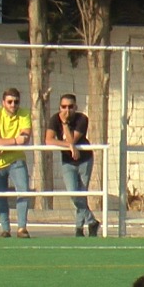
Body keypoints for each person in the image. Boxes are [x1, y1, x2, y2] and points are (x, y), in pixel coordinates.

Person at [46, 93, 100, 237]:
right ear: (59, 107)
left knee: (81, 194)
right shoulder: (54, 119)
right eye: (63, 107)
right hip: (68, 162)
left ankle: (79, 228)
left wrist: (65, 126)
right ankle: (92, 221)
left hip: (84, 160)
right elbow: (49, 140)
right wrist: (69, 146)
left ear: (75, 107)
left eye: (70, 107)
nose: (67, 110)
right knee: (73, 193)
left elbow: (72, 140)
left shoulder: (82, 119)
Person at [0, 87, 32, 239]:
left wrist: (2, 148)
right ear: (3, 102)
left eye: (16, 102)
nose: (13, 105)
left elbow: (24, 139)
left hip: (17, 159)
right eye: (10, 102)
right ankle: (5, 229)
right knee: (1, 194)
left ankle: (22, 228)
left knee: (23, 191)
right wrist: (13, 141)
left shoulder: (24, 114)